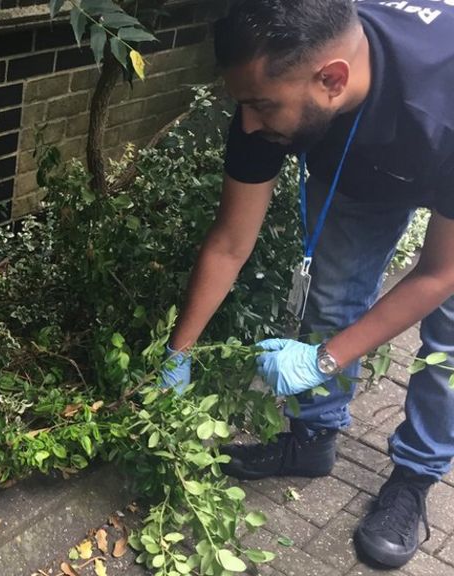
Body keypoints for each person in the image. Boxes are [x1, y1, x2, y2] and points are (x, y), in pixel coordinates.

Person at [160, 0, 454, 568]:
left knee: (446, 346)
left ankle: (413, 480)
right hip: (360, 166)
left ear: (332, 80)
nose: (246, 123)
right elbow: (229, 241)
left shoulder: (444, 106)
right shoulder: (266, 89)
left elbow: (438, 274)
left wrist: (324, 360)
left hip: (437, 149)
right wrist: (179, 351)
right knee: (335, 293)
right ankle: (312, 440)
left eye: (261, 106)